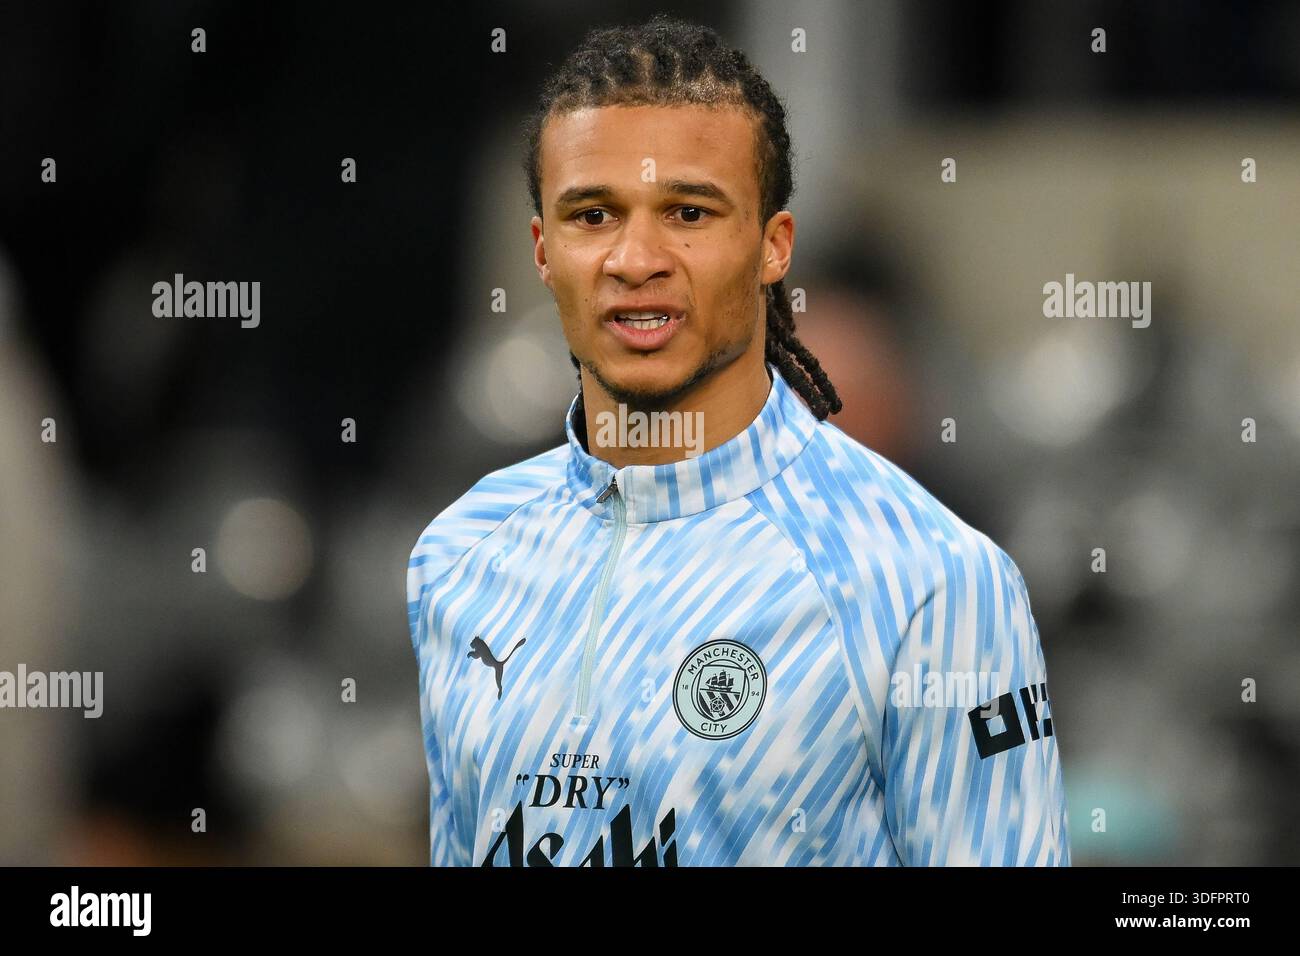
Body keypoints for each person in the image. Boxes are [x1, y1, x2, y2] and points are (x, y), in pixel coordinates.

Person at [407, 14, 1070, 866]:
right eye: (593, 214)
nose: (635, 257)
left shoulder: (931, 582)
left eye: (688, 211)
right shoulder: (458, 555)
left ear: (771, 247)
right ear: (543, 251)